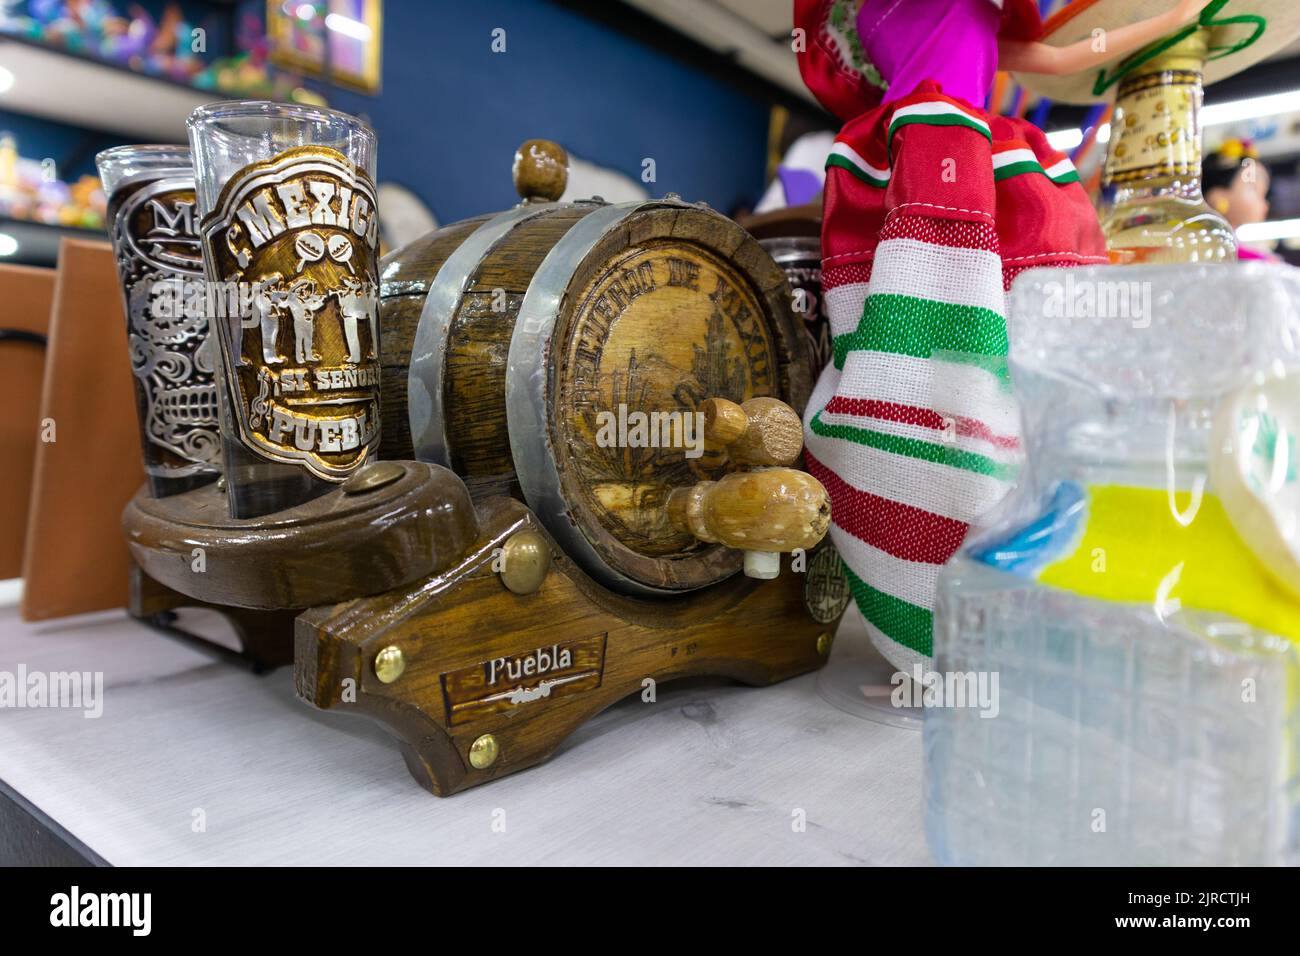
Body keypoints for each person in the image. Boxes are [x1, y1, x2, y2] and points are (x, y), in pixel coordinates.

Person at [795, 0, 1214, 672]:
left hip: (917, 164)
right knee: (959, 346)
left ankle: (950, 565)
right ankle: (952, 577)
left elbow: (1057, 59)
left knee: (919, 352)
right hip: (952, 165)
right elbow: (1063, 59)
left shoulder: (878, 20)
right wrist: (1176, 17)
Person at [1204, 138, 1276, 261]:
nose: (1264, 203)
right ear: (1216, 198)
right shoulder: (1215, 250)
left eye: (1264, 195)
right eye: (1254, 190)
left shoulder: (1246, 248)